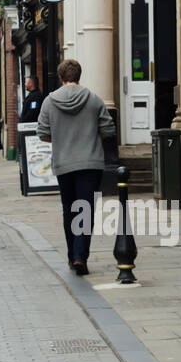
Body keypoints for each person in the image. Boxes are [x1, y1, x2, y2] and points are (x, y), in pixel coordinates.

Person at [37, 59, 116, 276]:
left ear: (60, 77)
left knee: (69, 209)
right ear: (79, 75)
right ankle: (81, 255)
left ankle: (73, 256)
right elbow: (109, 130)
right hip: (90, 162)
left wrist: (61, 137)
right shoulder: (93, 99)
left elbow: (43, 133)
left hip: (63, 163)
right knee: (85, 209)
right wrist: (91, 134)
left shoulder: (49, 102)